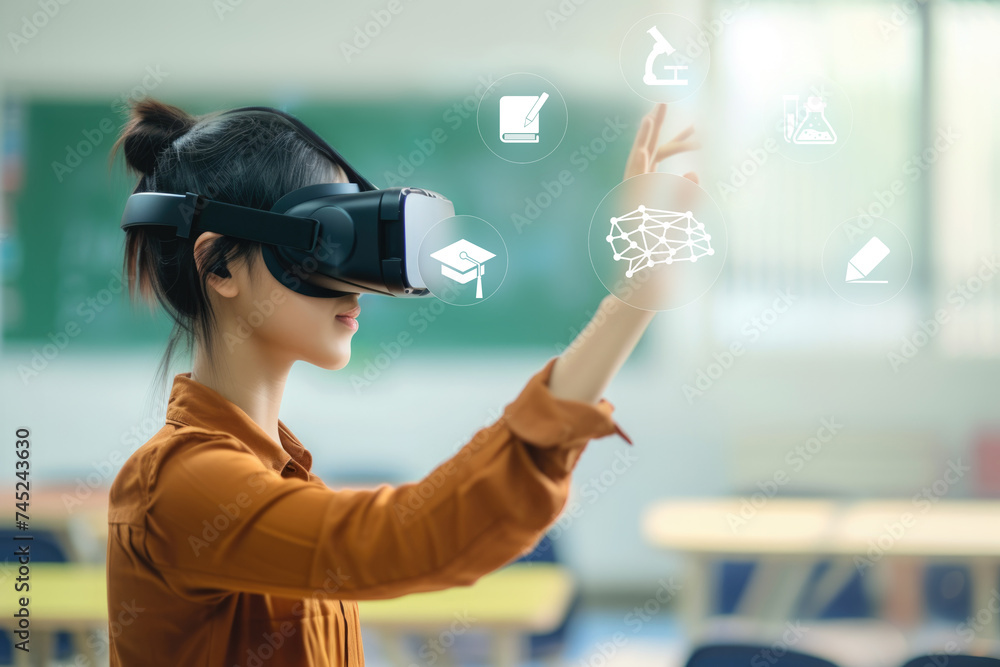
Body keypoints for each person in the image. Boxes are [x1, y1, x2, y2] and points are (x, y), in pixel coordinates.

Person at [106, 98, 697, 666]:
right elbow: (408, 540)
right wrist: (631, 300)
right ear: (222, 265)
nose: (357, 285)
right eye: (329, 240)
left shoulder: (274, 471)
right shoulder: (180, 486)